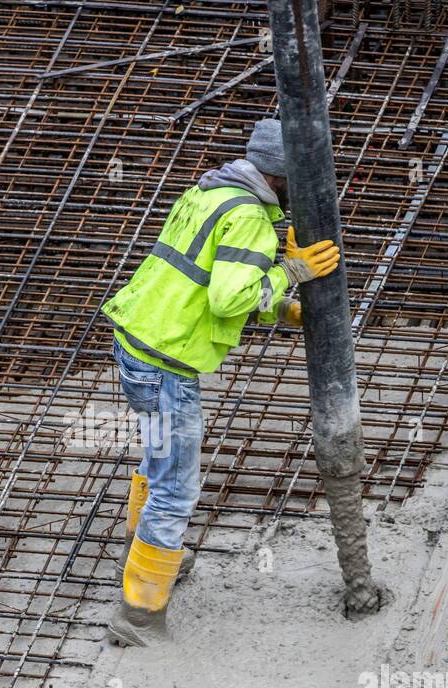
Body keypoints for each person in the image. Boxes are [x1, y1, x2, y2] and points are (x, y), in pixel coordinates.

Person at [101, 117, 341, 646]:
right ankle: (138, 615)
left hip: (138, 341)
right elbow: (229, 298)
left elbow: (200, 279)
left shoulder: (209, 192)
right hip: (168, 363)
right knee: (175, 490)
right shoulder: (251, 218)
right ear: (288, 176)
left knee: (158, 459)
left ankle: (146, 556)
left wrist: (279, 308)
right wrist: (291, 272)